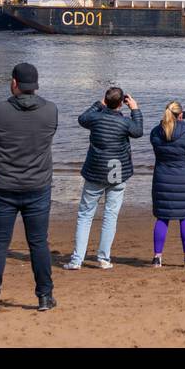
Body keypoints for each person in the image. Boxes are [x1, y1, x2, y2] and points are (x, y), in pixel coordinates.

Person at [0, 63, 59, 314]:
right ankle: (45, 296)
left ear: (14, 83)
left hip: (5, 186)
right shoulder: (50, 110)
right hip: (37, 186)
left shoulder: (1, 109)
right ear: (35, 85)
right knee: (38, 243)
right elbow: (50, 133)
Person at [64, 87, 144, 270]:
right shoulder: (124, 122)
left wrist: (99, 104)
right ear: (121, 103)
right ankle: (103, 258)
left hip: (95, 171)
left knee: (85, 215)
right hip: (116, 172)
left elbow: (82, 118)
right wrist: (135, 109)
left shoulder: (95, 118)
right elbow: (138, 131)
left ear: (106, 102)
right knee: (110, 215)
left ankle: (77, 260)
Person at [149, 101, 185, 268]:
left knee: (162, 217)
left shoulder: (155, 133)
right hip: (184, 179)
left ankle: (157, 257)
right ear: (180, 115)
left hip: (162, 178)